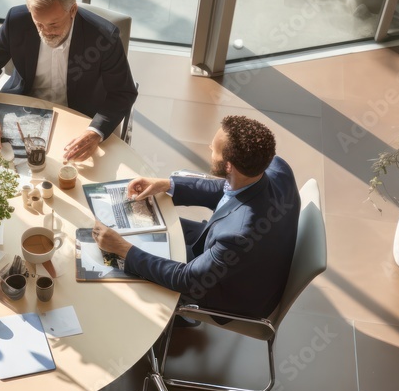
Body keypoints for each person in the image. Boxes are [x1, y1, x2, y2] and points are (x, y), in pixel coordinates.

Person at [93, 116, 300, 320]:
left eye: (214, 149)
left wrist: (123, 248)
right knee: (150, 224)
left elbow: (186, 279)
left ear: (228, 166)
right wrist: (167, 184)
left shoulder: (239, 235)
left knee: (129, 267)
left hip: (231, 295)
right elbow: (228, 188)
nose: (209, 147)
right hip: (246, 261)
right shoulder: (276, 167)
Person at [0, 0, 138, 162]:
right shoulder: (17, 20)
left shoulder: (104, 37)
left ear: (72, 10)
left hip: (77, 117)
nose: (46, 32)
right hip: (23, 108)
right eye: (38, 24)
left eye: (53, 24)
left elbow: (123, 93)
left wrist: (94, 132)